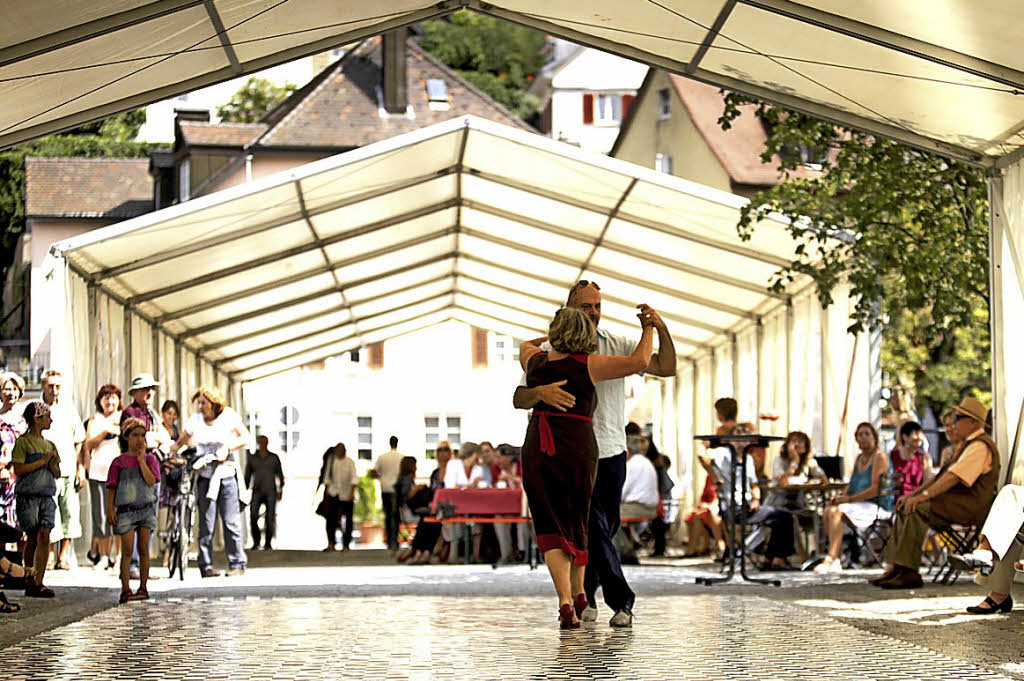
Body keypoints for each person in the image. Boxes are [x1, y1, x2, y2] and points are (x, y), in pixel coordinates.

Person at [515, 280, 676, 629]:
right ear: (570, 306)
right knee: (593, 529)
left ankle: (581, 595)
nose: (593, 312)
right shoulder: (563, 355)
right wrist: (538, 391)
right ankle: (621, 601)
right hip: (577, 453)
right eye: (586, 306)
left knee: (596, 530)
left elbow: (663, 366)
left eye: (597, 306)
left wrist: (661, 330)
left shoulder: (606, 346)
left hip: (610, 449)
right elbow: (521, 396)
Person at [872, 396, 1000, 589]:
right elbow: (939, 477)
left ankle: (909, 571)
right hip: (956, 503)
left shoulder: (980, 446)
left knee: (917, 508)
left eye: (958, 417)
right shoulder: (965, 445)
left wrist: (921, 497)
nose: (955, 422)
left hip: (970, 507)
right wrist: (912, 495)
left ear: (973, 422)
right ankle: (895, 567)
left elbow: (952, 478)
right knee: (906, 505)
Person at [170, 386, 250, 577]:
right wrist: (171, 450)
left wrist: (228, 448)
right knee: (206, 522)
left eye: (204, 403)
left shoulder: (228, 416)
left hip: (226, 474)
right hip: (205, 475)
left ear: (214, 403)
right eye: (199, 402)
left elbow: (245, 436)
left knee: (231, 521)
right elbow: (181, 441)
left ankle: (237, 563)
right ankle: (205, 565)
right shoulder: (196, 420)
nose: (200, 406)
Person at [814, 422, 893, 573]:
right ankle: (837, 557)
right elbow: (852, 484)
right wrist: (841, 496)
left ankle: (831, 557)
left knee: (836, 512)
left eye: (867, 434)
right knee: (829, 510)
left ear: (874, 438)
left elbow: (875, 489)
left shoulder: (879, 457)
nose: (863, 438)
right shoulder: (859, 458)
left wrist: (848, 500)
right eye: (860, 434)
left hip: (875, 506)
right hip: (859, 504)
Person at [749, 431, 825, 569]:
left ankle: (772, 558)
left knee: (819, 517)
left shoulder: (808, 462)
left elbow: (823, 479)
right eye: (794, 441)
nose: (797, 444)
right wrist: (794, 461)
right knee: (787, 517)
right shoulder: (779, 460)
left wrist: (813, 472)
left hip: (798, 503)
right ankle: (783, 558)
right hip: (778, 501)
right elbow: (782, 481)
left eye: (801, 441)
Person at [107, 417, 160, 603]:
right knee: (127, 550)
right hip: (126, 510)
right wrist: (110, 509)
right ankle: (125, 588)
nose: (139, 439)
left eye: (142, 436)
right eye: (135, 435)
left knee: (143, 548)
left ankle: (143, 587)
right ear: (126, 437)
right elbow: (112, 487)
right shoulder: (118, 462)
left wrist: (141, 461)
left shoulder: (150, 459)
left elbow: (151, 481)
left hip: (145, 509)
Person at [12, 401, 60, 597]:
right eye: (46, 417)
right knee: (32, 536)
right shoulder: (23, 442)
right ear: (36, 419)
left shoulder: (50, 445)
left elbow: (57, 472)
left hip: (46, 496)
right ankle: (29, 575)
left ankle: (40, 579)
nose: (50, 420)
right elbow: (19, 469)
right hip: (28, 496)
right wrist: (42, 461)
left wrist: (53, 463)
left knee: (44, 535)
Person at [40, 369, 85, 570]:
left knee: (69, 513)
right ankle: (49, 553)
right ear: (43, 386)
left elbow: (79, 440)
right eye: (50, 385)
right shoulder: (35, 409)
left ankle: (63, 556)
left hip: (68, 468)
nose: (54, 390)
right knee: (49, 514)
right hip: (45, 471)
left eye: (58, 386)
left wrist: (80, 468)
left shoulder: (68, 409)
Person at [83, 384, 122, 570]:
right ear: (99, 401)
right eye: (106, 397)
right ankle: (104, 556)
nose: (109, 401)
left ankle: (120, 555)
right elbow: (88, 444)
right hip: (98, 473)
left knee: (120, 514)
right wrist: (105, 432)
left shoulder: (123, 417)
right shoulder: (94, 419)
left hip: (120, 474)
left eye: (113, 397)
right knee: (101, 516)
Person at [405, 441, 451, 564]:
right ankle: (420, 551)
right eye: (439, 450)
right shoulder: (435, 473)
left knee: (432, 518)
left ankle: (424, 551)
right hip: (435, 505)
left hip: (449, 505)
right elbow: (432, 492)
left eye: (445, 450)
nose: (442, 453)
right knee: (426, 518)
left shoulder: (453, 470)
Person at [619, 433, 658, 564]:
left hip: (638, 507)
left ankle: (627, 550)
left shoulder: (632, 465)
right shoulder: (646, 462)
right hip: (648, 507)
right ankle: (631, 545)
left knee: (607, 517)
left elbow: (622, 490)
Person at [245, 435, 284, 551]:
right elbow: (248, 474)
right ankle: (256, 541)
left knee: (270, 517)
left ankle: (268, 542)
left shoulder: (273, 458)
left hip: (270, 491)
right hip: (257, 490)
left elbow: (280, 475)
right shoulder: (253, 458)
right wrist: (244, 489)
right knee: (253, 515)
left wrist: (280, 489)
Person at [0, 372, 26, 534]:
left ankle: (22, 559)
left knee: (22, 521)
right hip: (3, 475)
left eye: (15, 389)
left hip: (23, 475)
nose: (11, 393)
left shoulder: (26, 417)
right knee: (2, 522)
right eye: (7, 389)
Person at [318, 442, 356, 551]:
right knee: (331, 519)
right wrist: (326, 494)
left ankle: (346, 544)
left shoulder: (349, 462)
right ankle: (331, 542)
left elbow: (354, 478)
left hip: (346, 493)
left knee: (348, 520)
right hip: (333, 493)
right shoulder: (331, 461)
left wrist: (352, 492)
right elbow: (327, 479)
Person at [369, 436, 404, 551]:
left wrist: (381, 477)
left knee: (388, 515)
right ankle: (396, 540)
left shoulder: (382, 458)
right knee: (397, 515)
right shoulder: (401, 458)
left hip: (386, 488)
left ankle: (390, 540)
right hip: (397, 489)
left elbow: (374, 472)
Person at [889, 420, 933, 499]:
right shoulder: (892, 456)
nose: (919, 437)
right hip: (893, 501)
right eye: (915, 434)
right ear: (905, 437)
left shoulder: (924, 458)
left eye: (920, 434)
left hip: (914, 500)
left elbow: (927, 484)